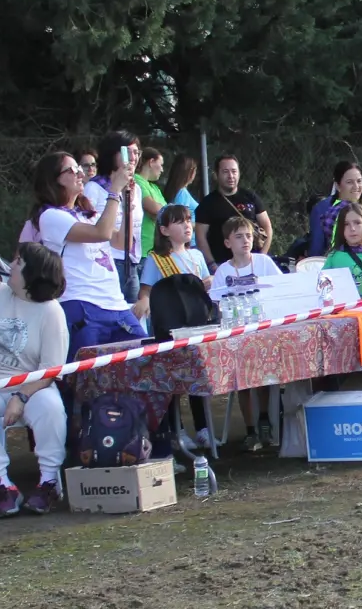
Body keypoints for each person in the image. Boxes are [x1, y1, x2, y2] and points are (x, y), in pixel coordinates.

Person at [27, 149, 145, 496]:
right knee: (87, 385)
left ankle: (138, 442)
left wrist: (126, 197)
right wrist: (112, 192)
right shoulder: (50, 217)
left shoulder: (84, 212)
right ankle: (85, 456)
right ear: (53, 180)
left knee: (146, 367)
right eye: (72, 171)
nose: (81, 176)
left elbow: (118, 236)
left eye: (81, 170)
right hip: (81, 306)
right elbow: (102, 233)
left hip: (115, 305)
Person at [0, 243, 70, 519]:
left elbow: (51, 370)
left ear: (31, 275)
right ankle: (1, 483)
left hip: (31, 385)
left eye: (17, 263)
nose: (10, 266)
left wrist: (20, 397)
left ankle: (49, 481)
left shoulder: (51, 312)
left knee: (52, 407)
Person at [141, 204, 214, 452]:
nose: (187, 225)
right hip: (168, 330)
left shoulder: (196, 256)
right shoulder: (157, 259)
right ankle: (178, 430)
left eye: (188, 220)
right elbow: (146, 294)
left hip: (196, 327)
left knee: (196, 377)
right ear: (163, 230)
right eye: (179, 222)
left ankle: (204, 428)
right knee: (172, 381)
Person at [210, 215, 285, 451]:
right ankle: (250, 428)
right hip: (236, 332)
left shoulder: (263, 262)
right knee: (240, 379)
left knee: (263, 372)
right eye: (239, 236)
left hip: (264, 329)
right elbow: (217, 300)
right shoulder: (223, 270)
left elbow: (281, 288)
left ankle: (265, 418)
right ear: (227, 243)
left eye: (249, 236)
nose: (245, 241)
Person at [86, 132, 148, 303]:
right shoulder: (94, 188)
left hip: (132, 262)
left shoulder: (136, 188)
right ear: (113, 153)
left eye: (137, 152)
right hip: (107, 262)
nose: (134, 157)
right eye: (129, 152)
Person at [194, 154, 272, 266]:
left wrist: (262, 256)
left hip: (253, 262)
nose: (231, 176)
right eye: (225, 171)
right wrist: (212, 264)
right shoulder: (207, 203)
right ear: (216, 175)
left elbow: (267, 227)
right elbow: (200, 237)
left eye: (234, 171)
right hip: (222, 263)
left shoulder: (250, 197)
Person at [307, 160, 362, 257]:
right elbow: (317, 247)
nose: (356, 186)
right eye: (349, 182)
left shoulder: (358, 208)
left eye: (359, 181)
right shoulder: (332, 210)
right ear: (338, 186)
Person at [135, 147, 167, 256]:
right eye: (161, 164)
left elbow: (165, 213)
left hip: (157, 250)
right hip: (144, 250)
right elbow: (155, 209)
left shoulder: (154, 187)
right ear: (151, 162)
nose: (162, 170)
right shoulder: (136, 180)